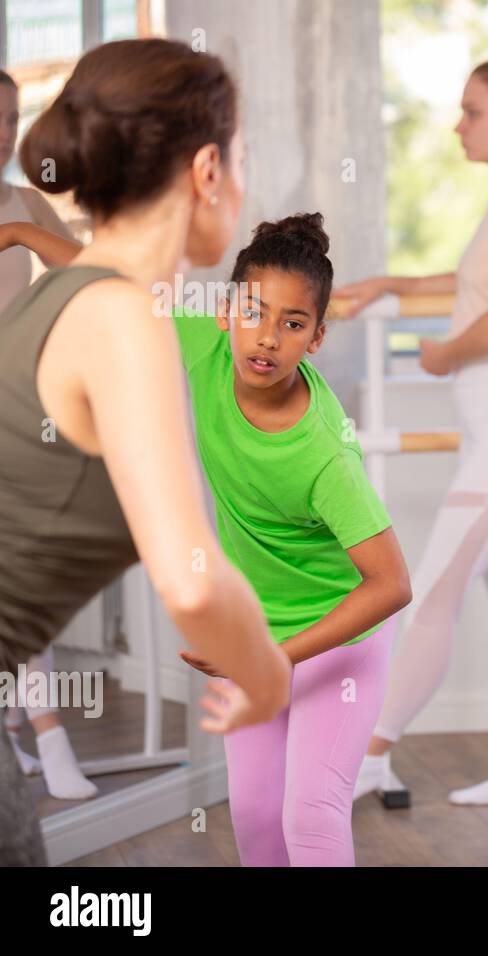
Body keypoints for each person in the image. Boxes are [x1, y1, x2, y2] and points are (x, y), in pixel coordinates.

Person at [0, 38, 291, 868]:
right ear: (206, 170)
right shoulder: (123, 316)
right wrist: (265, 677)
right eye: (240, 159)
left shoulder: (61, 294)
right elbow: (192, 577)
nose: (239, 182)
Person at [337, 43, 488, 806]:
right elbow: (478, 285)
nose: (457, 126)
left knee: (432, 586)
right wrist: (393, 283)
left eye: (471, 113)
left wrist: (441, 355)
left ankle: (370, 755)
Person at [0, 69, 99, 800]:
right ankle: (34, 736)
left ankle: (39, 735)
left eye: (10, 119)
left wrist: (22, 232)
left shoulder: (27, 202)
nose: (3, 134)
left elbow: (95, 275)